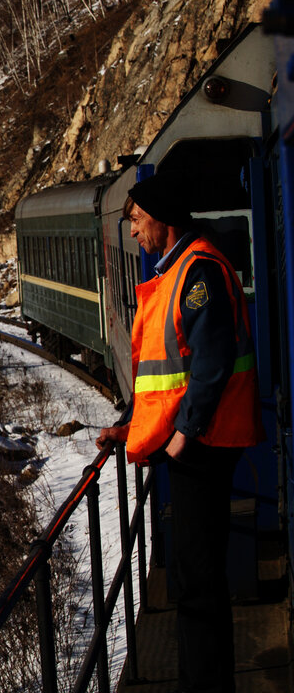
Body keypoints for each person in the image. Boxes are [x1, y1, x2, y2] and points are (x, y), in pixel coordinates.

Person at [97, 172, 263, 693]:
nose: (136, 233)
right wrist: (132, 430)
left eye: (140, 221)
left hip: (205, 447)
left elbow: (211, 365)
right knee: (193, 581)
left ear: (163, 219)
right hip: (197, 444)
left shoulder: (198, 274)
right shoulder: (179, 271)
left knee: (198, 587)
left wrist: (183, 435)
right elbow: (166, 379)